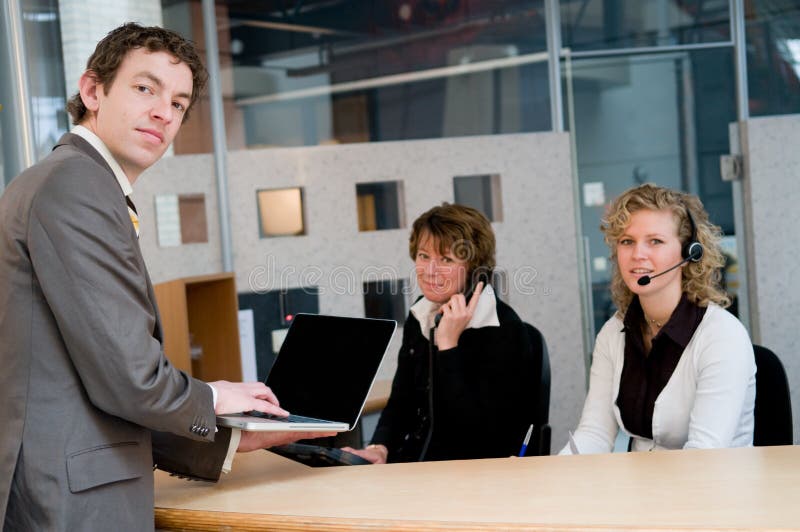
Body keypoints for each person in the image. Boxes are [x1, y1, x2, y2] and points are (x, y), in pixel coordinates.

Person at [0, 24, 328, 530]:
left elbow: (90, 380)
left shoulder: (73, 183)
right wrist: (216, 398)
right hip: (68, 499)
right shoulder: (75, 187)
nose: (163, 113)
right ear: (92, 91)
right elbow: (128, 378)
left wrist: (232, 436)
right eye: (144, 88)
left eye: (178, 103)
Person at [562, 184, 755, 454]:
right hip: (641, 489)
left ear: (689, 254)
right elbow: (594, 433)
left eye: (655, 241)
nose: (637, 254)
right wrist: (554, 474)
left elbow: (704, 452)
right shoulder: (614, 332)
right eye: (627, 241)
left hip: (712, 488)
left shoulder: (722, 335)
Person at [343, 203, 539, 463]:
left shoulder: (503, 329)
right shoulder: (421, 314)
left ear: (473, 266)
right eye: (424, 256)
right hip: (416, 466)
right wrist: (380, 447)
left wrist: (448, 345)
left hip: (473, 474)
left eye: (446, 259)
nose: (430, 270)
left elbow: (477, 435)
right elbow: (402, 399)